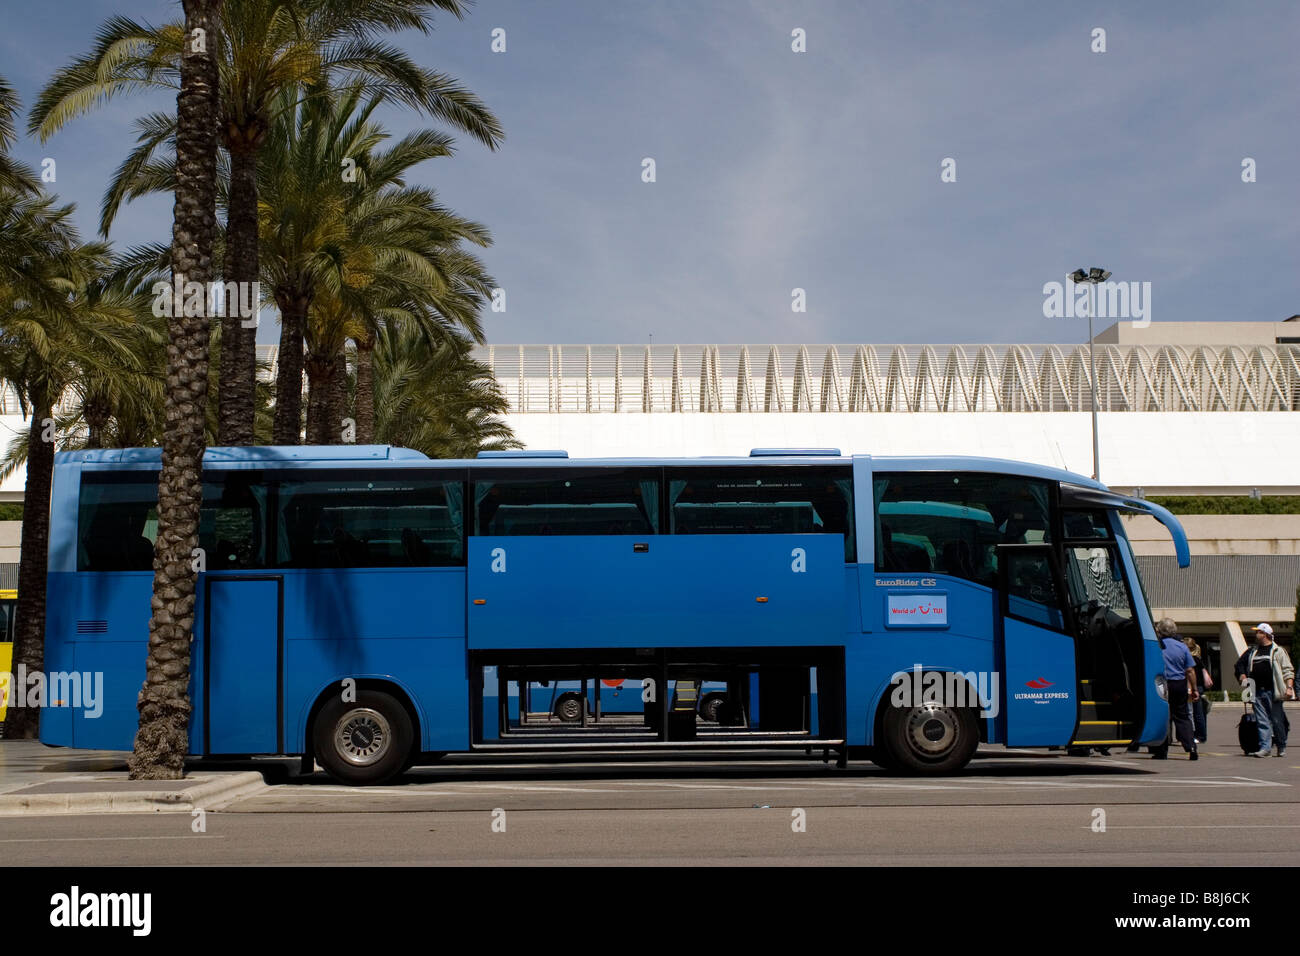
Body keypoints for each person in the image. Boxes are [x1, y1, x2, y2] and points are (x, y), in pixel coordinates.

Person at [1233, 623, 1295, 757]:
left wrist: (1289, 688)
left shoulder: (1278, 651)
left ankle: (1281, 745)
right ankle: (1265, 748)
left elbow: (1288, 671)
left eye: (1259, 632)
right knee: (1262, 721)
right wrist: (1242, 675)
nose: (1256, 634)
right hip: (1257, 691)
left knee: (1277, 720)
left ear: (1266, 634)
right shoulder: (1253, 651)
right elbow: (1240, 664)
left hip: (1273, 691)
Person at [1154, 618, 1198, 760]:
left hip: (1162, 683)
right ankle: (1190, 746)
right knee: (1182, 716)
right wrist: (1195, 688)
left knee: (1163, 717)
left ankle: (1161, 750)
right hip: (1179, 683)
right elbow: (1190, 670)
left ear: (1159, 630)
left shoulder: (1157, 645)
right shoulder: (1182, 647)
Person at [1184, 634, 1212, 744]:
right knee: (1198, 713)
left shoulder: (1191, 659)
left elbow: (1190, 674)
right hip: (1199, 687)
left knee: (1196, 713)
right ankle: (1199, 735)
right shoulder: (1198, 659)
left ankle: (1200, 736)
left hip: (1195, 687)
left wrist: (1191, 689)